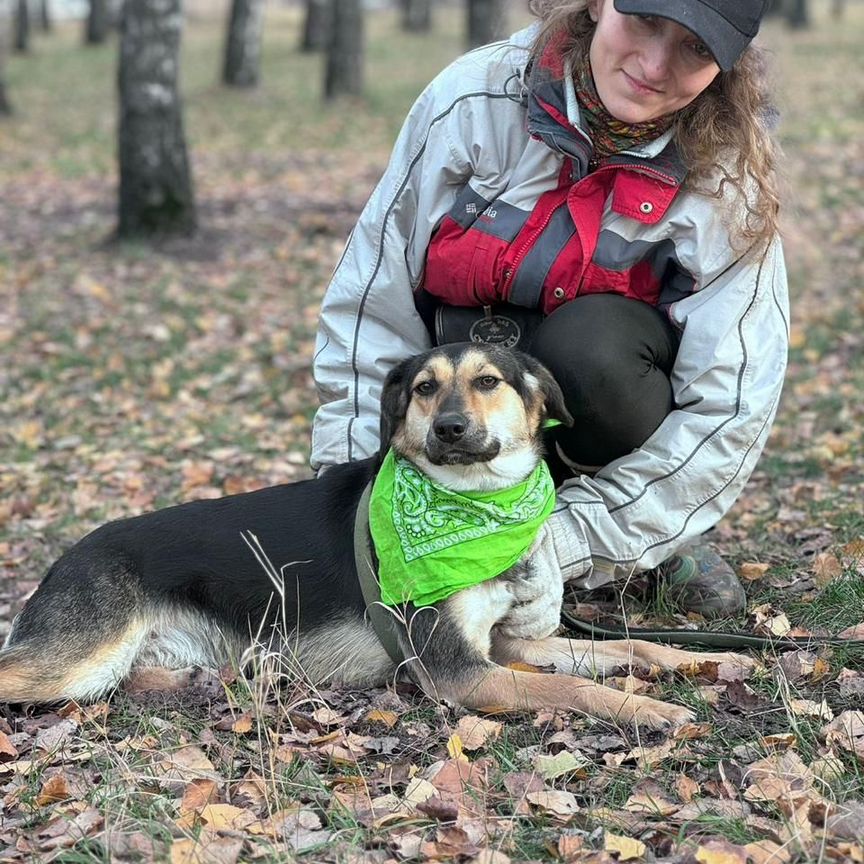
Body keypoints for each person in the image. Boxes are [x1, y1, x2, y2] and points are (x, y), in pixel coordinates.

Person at [310, 0, 789, 619]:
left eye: (696, 49)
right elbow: (371, 303)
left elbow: (731, 405)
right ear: (597, 3)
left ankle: (649, 542)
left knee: (591, 349)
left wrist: (559, 543)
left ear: (728, 66)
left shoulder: (732, 184)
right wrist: (354, 502)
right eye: (643, 20)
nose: (653, 64)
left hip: (601, 438)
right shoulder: (474, 99)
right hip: (451, 419)